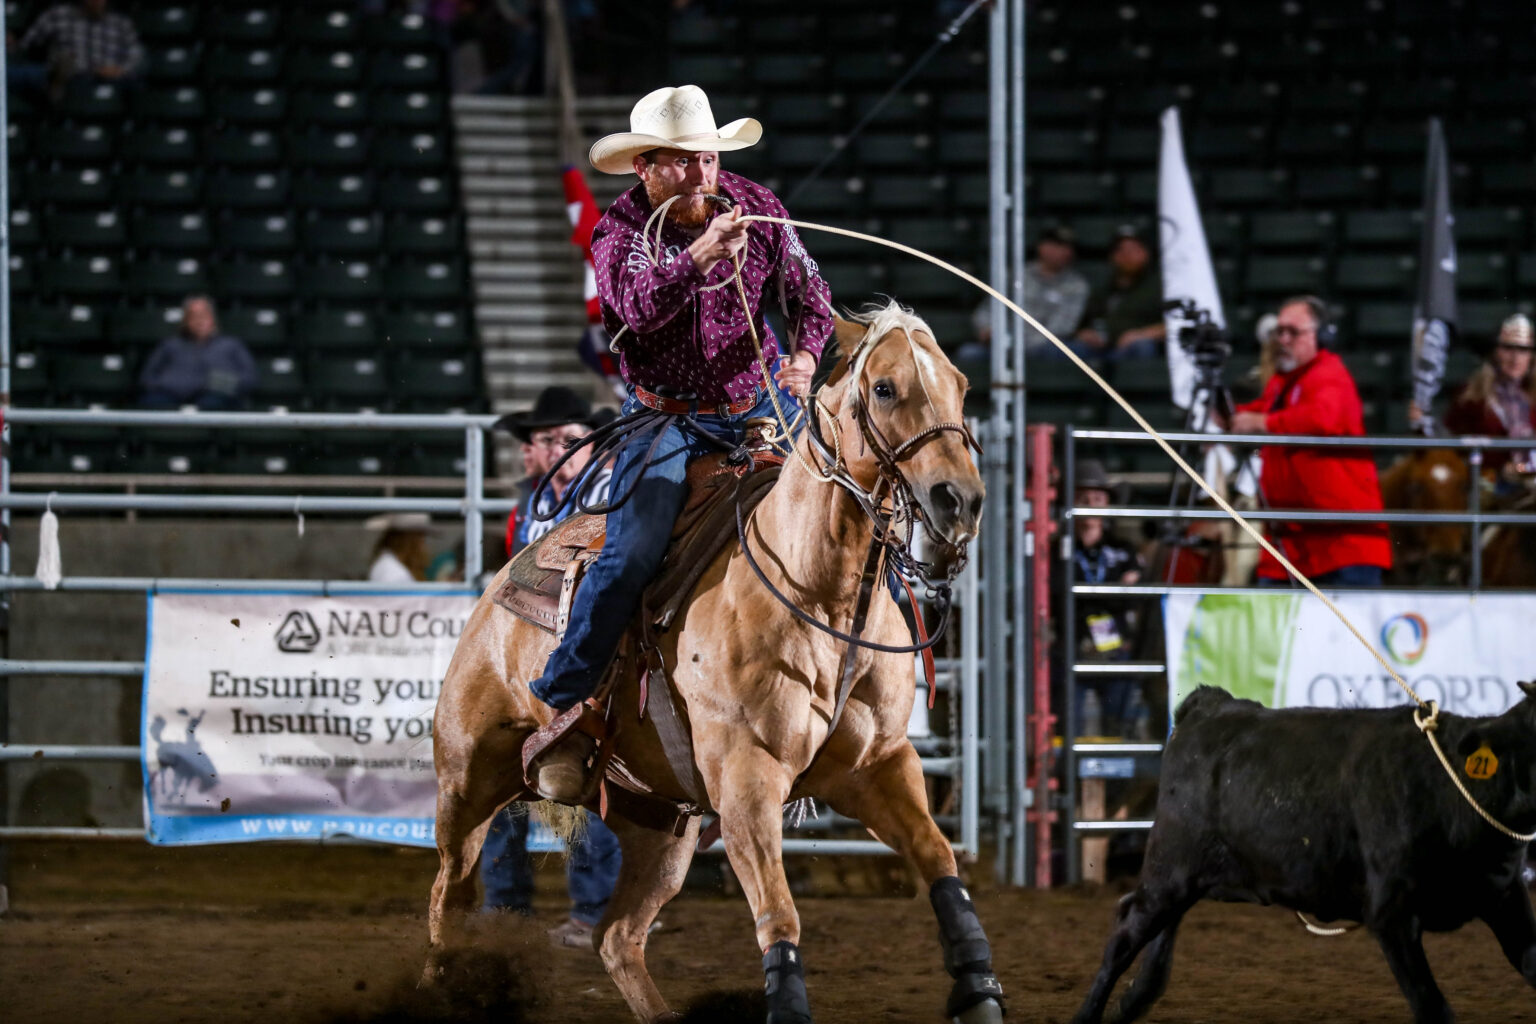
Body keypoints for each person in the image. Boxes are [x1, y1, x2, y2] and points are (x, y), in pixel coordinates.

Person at [526, 83, 833, 802]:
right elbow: (634, 312)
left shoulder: (758, 208)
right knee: (632, 553)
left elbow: (810, 298)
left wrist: (805, 357)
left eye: (707, 159)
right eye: (682, 162)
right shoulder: (619, 231)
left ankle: (842, 692)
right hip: (663, 417)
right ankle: (565, 703)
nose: (700, 174)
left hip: (757, 405)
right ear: (646, 167)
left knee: (835, 518)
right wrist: (697, 256)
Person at [484, 387, 621, 946]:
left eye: (569, 439)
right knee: (499, 777)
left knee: (590, 782)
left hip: (592, 663)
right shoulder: (531, 504)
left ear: (591, 445)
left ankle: (596, 912)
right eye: (547, 440)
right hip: (531, 666)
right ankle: (505, 909)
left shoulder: (611, 491)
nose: (556, 449)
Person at [1228, 296, 1392, 586]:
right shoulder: (1282, 381)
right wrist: (1228, 415)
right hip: (1291, 545)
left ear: (1321, 336)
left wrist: (1261, 423)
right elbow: (1259, 412)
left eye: (1293, 332)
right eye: (1279, 331)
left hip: (1339, 545)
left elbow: (1320, 418)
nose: (1283, 340)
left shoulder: (1330, 373)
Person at [1069, 460, 1147, 738]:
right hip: (1073, 650)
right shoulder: (1058, 550)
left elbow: (1136, 598)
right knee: (1068, 728)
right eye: (1083, 498)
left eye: (1098, 498)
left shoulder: (1123, 549)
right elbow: (1054, 598)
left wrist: (1088, 602)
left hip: (1115, 651)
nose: (1090, 504)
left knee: (1118, 729)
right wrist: (1115, 591)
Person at [1423, 313, 1536, 490]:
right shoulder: (1471, 397)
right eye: (1508, 348)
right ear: (1495, 352)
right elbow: (1452, 447)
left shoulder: (1532, 395)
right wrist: (1498, 468)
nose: (1516, 358)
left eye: (1523, 350)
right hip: (1488, 486)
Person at [8, 0, 144, 101]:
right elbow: (26, 44)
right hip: (67, 74)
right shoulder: (58, 15)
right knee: (20, 74)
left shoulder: (121, 23)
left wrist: (120, 69)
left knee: (136, 83)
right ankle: (56, 87)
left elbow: (137, 55)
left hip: (109, 78)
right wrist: (11, 43)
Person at [138, 296, 257, 411]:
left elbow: (249, 380)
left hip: (217, 399)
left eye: (204, 315)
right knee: (153, 402)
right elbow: (147, 379)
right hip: (172, 397)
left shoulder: (232, 345)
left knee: (212, 403)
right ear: (185, 321)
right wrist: (177, 384)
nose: (200, 321)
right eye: (194, 316)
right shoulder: (169, 345)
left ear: (213, 318)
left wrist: (213, 382)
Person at [1074, 227, 1165, 362]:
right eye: (1120, 250)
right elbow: (1082, 325)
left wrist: (1142, 334)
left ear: (1147, 253)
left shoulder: (1160, 287)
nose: (1126, 255)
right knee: (1060, 349)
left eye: (1134, 249)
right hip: (1100, 351)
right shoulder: (1103, 290)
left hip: (1134, 350)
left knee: (1142, 346)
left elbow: (1175, 325)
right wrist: (1085, 334)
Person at [364, 513, 432, 583]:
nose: (423, 542)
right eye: (420, 536)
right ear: (408, 539)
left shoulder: (389, 564)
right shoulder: (393, 572)